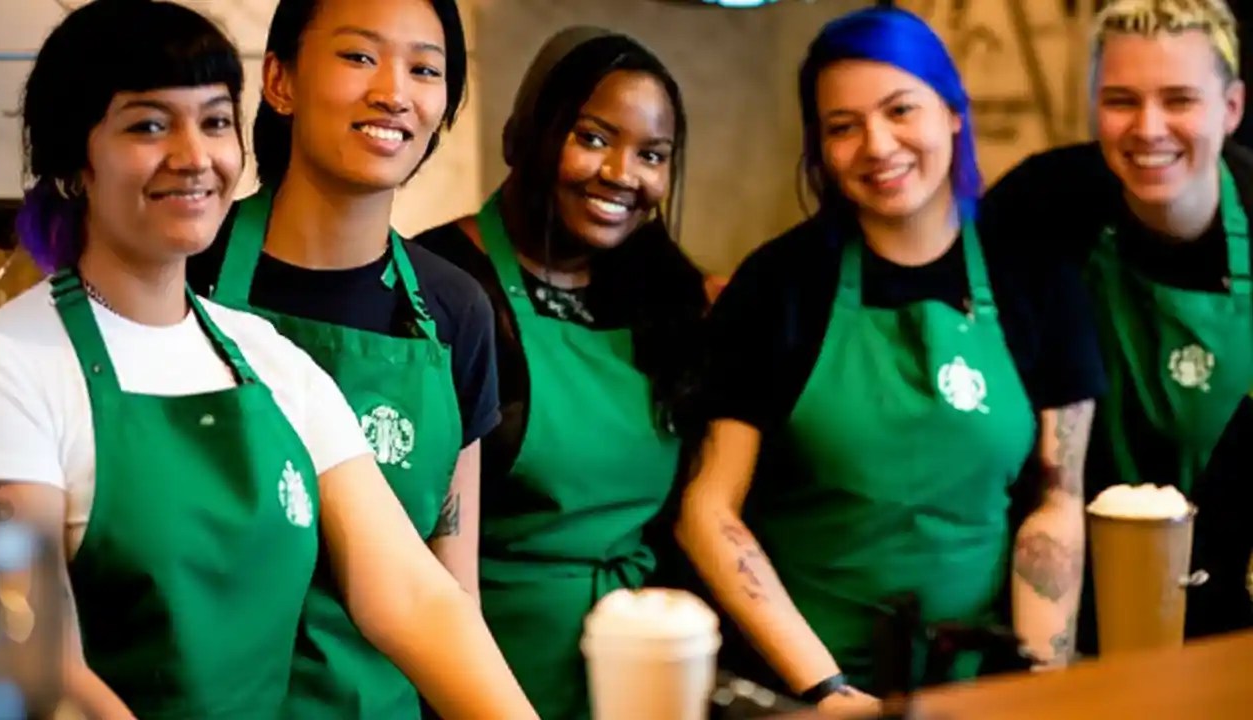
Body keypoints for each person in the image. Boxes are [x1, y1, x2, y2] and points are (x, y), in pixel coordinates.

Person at [0, 2, 535, 718]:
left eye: (213, 122)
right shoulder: (3, 364)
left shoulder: (273, 363)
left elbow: (416, 595)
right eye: (148, 124)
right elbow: (25, 668)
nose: (194, 156)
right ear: (74, 163)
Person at [675, 7, 1105, 714]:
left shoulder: (1034, 276)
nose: (877, 145)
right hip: (806, 688)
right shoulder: (780, 285)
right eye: (843, 126)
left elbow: (1054, 503)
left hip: (982, 685)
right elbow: (708, 511)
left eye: (900, 110)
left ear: (953, 113)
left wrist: (1037, 682)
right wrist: (828, 689)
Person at [186, 1, 495, 714]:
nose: (393, 91)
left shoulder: (455, 312)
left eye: (424, 68)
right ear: (280, 80)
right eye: (359, 56)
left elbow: (450, 592)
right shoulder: (181, 274)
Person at [414, 27, 709, 720]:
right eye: (595, 138)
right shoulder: (446, 284)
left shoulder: (667, 295)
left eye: (652, 155)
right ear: (530, 135)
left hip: (647, 675)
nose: (622, 175)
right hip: (487, 679)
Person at [978, 0, 1251, 650]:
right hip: (1067, 602)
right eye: (1121, 100)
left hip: (1230, 609)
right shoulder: (1038, 206)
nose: (1148, 128)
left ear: (1232, 108)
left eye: (1179, 99)